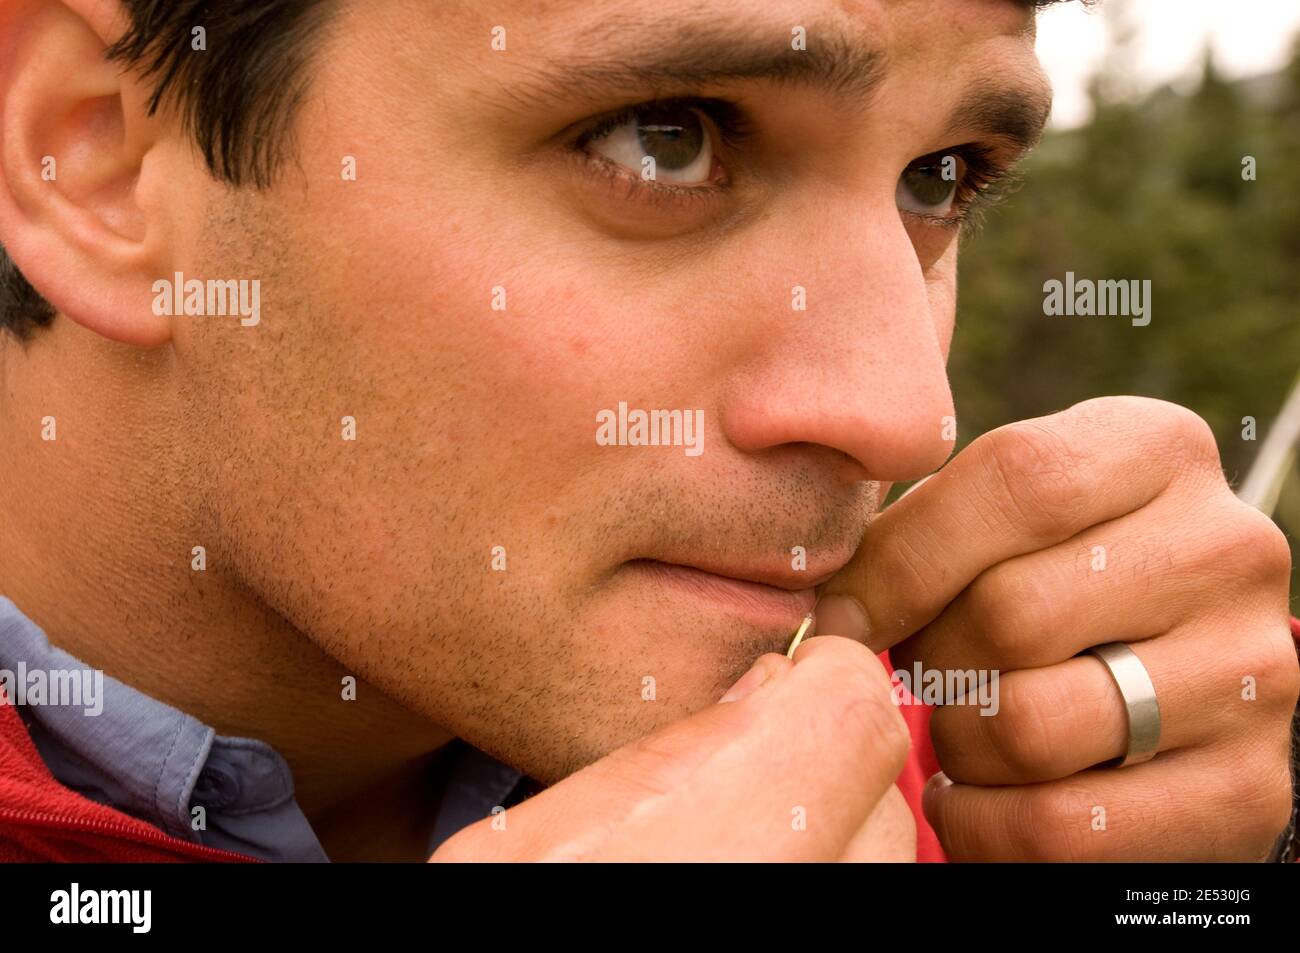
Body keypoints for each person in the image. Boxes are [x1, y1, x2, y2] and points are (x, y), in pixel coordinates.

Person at [0, 0, 1295, 863]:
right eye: (665, 139)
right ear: (97, 162)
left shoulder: (1001, 741)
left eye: (941, 177)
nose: (906, 414)